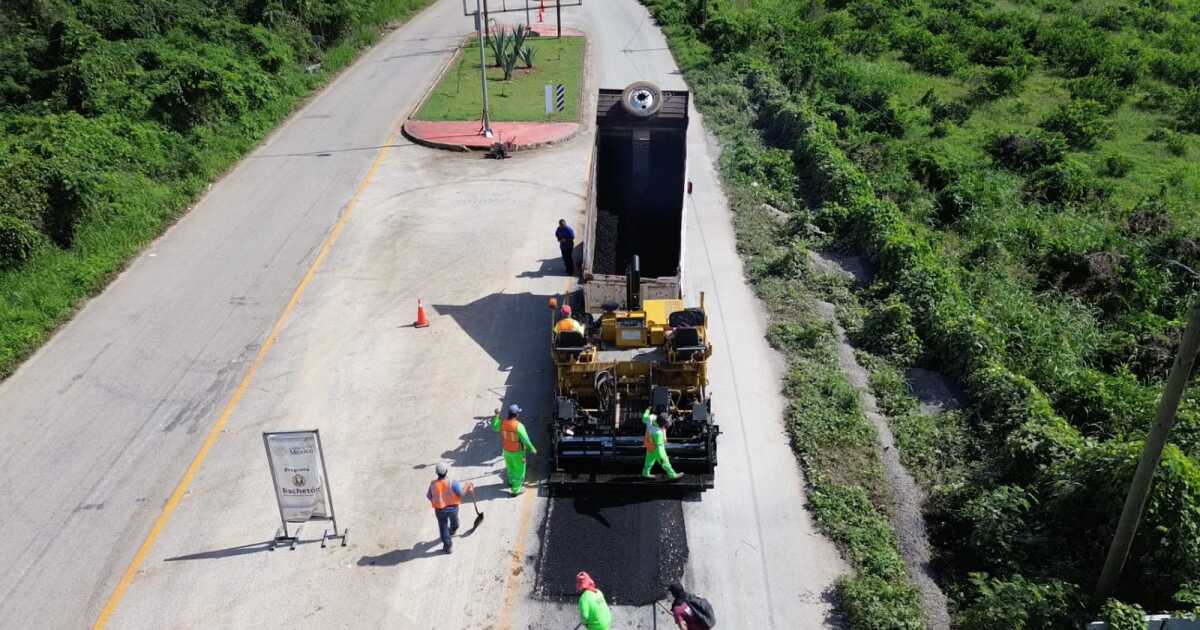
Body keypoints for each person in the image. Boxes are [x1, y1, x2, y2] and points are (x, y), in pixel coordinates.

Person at [426, 463, 474, 554]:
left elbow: (429, 496)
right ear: (446, 471)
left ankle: (448, 547)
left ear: (437, 473)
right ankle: (454, 528)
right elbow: (461, 494)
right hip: (453, 509)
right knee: (454, 520)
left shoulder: (433, 484)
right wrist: (467, 486)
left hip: (440, 510)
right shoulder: (452, 482)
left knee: (443, 527)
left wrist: (438, 500)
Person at [492, 404, 537, 495]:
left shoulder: (503, 423)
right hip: (518, 452)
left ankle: (511, 482)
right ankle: (516, 490)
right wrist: (532, 449)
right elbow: (525, 439)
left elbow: (495, 427)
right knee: (519, 471)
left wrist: (496, 416)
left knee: (510, 467)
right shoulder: (519, 426)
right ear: (516, 414)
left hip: (506, 450)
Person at [643, 408, 683, 480]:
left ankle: (645, 473)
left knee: (649, 460)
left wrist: (647, 410)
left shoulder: (650, 418)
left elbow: (644, 417)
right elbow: (661, 442)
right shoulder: (657, 432)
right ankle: (672, 475)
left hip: (649, 445)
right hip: (657, 447)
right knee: (665, 461)